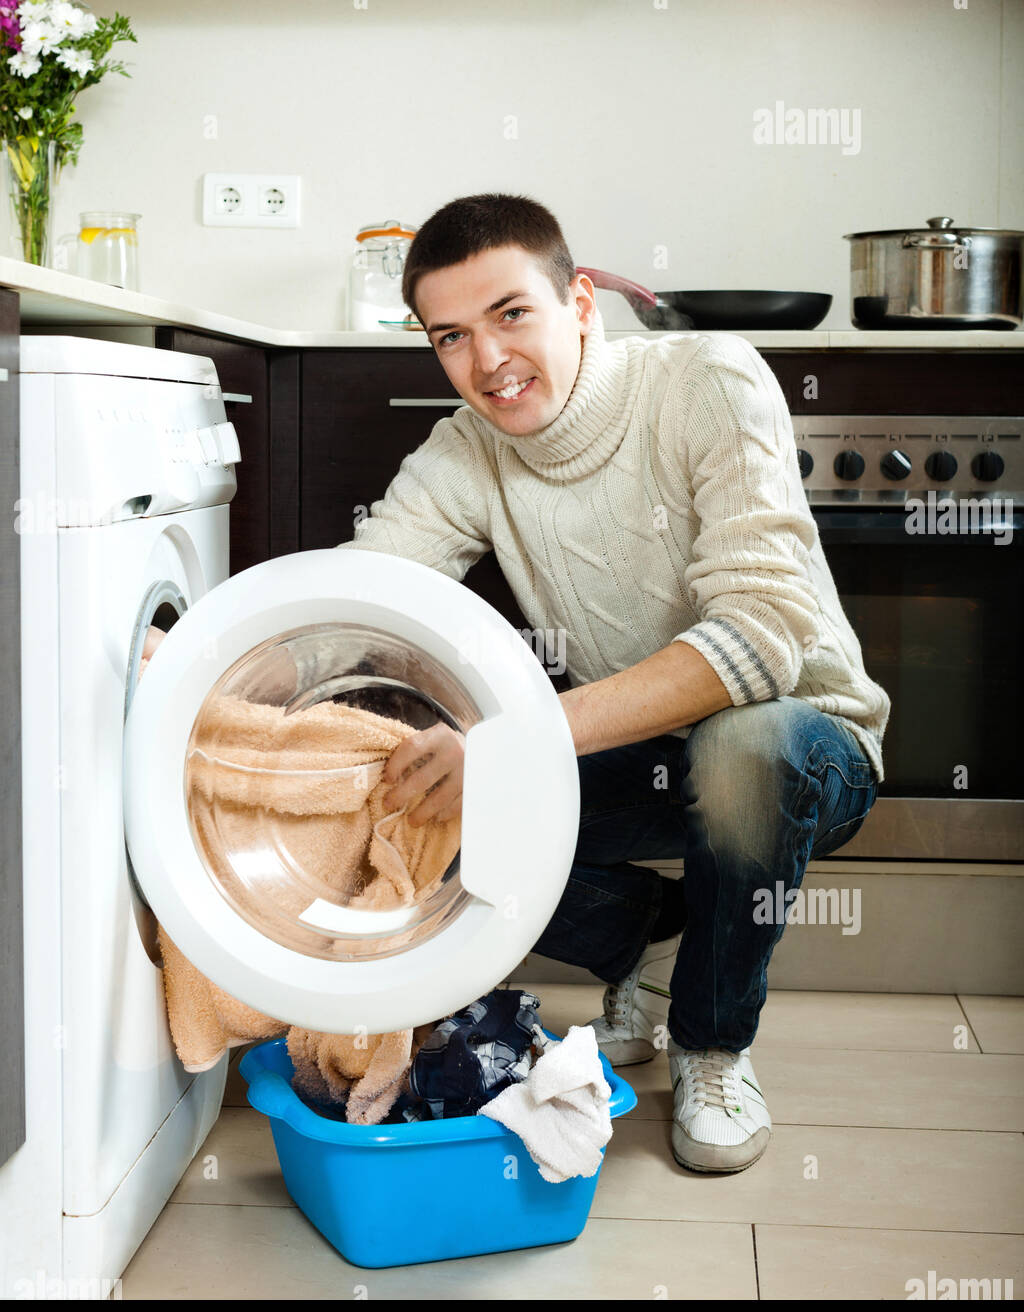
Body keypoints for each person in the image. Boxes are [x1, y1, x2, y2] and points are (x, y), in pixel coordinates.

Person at [157, 192, 891, 1175]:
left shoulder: (710, 379)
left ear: (579, 301)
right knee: (418, 800)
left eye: (511, 314)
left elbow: (760, 647)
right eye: (451, 335)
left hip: (804, 740)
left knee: (741, 748)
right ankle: (656, 953)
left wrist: (513, 741)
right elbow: (359, 604)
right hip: (636, 749)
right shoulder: (466, 448)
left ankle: (712, 1046)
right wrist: (199, 678)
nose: (487, 360)